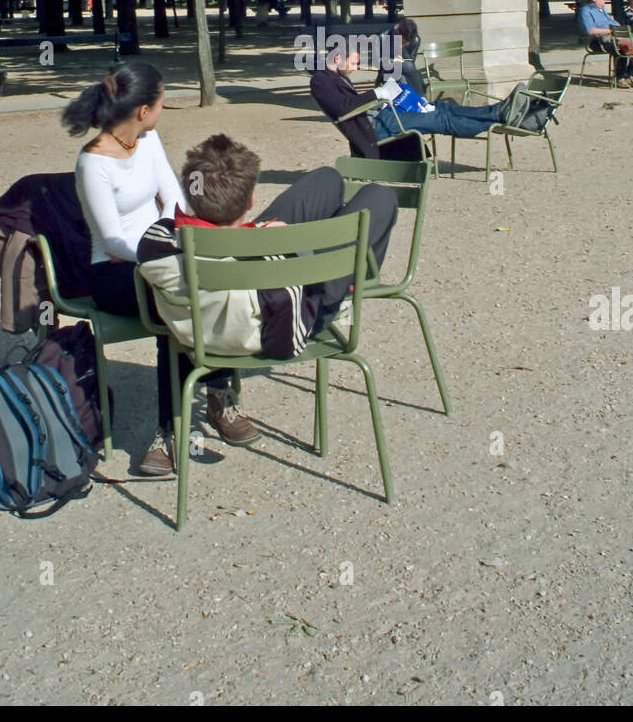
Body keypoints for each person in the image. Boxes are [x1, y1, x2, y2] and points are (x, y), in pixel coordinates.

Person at [61, 62, 254, 479]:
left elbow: (174, 197)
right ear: (143, 110)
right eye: (163, 102)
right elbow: (111, 239)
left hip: (161, 254)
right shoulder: (93, 163)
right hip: (113, 271)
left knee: (203, 284)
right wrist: (162, 251)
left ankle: (219, 391)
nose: (165, 109)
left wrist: (168, 243)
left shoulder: (147, 139)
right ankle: (171, 431)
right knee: (176, 299)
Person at [137, 134, 397, 367]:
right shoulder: (273, 269)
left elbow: (165, 227)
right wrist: (288, 246)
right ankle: (350, 283)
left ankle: (342, 269)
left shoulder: (158, 244)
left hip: (210, 311)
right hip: (291, 315)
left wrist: (260, 234)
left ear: (193, 195)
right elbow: (288, 339)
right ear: (251, 201)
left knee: (327, 178)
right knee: (379, 196)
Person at [310, 46, 511, 159]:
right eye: (353, 63)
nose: (355, 68)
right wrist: (377, 93)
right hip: (375, 127)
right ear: (338, 58)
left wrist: (388, 83)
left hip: (380, 117)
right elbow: (343, 109)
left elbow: (352, 103)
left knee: (441, 107)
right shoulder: (320, 80)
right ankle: (500, 115)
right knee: (438, 118)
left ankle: (497, 111)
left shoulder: (333, 77)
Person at [577, 0, 633, 86]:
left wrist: (615, 27)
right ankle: (620, 77)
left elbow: (615, 24)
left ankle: (630, 75)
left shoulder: (601, 10)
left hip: (612, 37)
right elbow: (590, 30)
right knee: (622, 47)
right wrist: (609, 30)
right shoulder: (586, 11)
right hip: (597, 41)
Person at [374, 16, 426, 97]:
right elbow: (376, 62)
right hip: (387, 73)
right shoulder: (382, 37)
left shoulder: (415, 40)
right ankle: (421, 99)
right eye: (402, 42)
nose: (403, 45)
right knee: (405, 70)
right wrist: (392, 61)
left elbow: (411, 61)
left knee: (403, 75)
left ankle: (416, 101)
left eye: (405, 43)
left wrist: (402, 55)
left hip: (406, 73)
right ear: (396, 32)